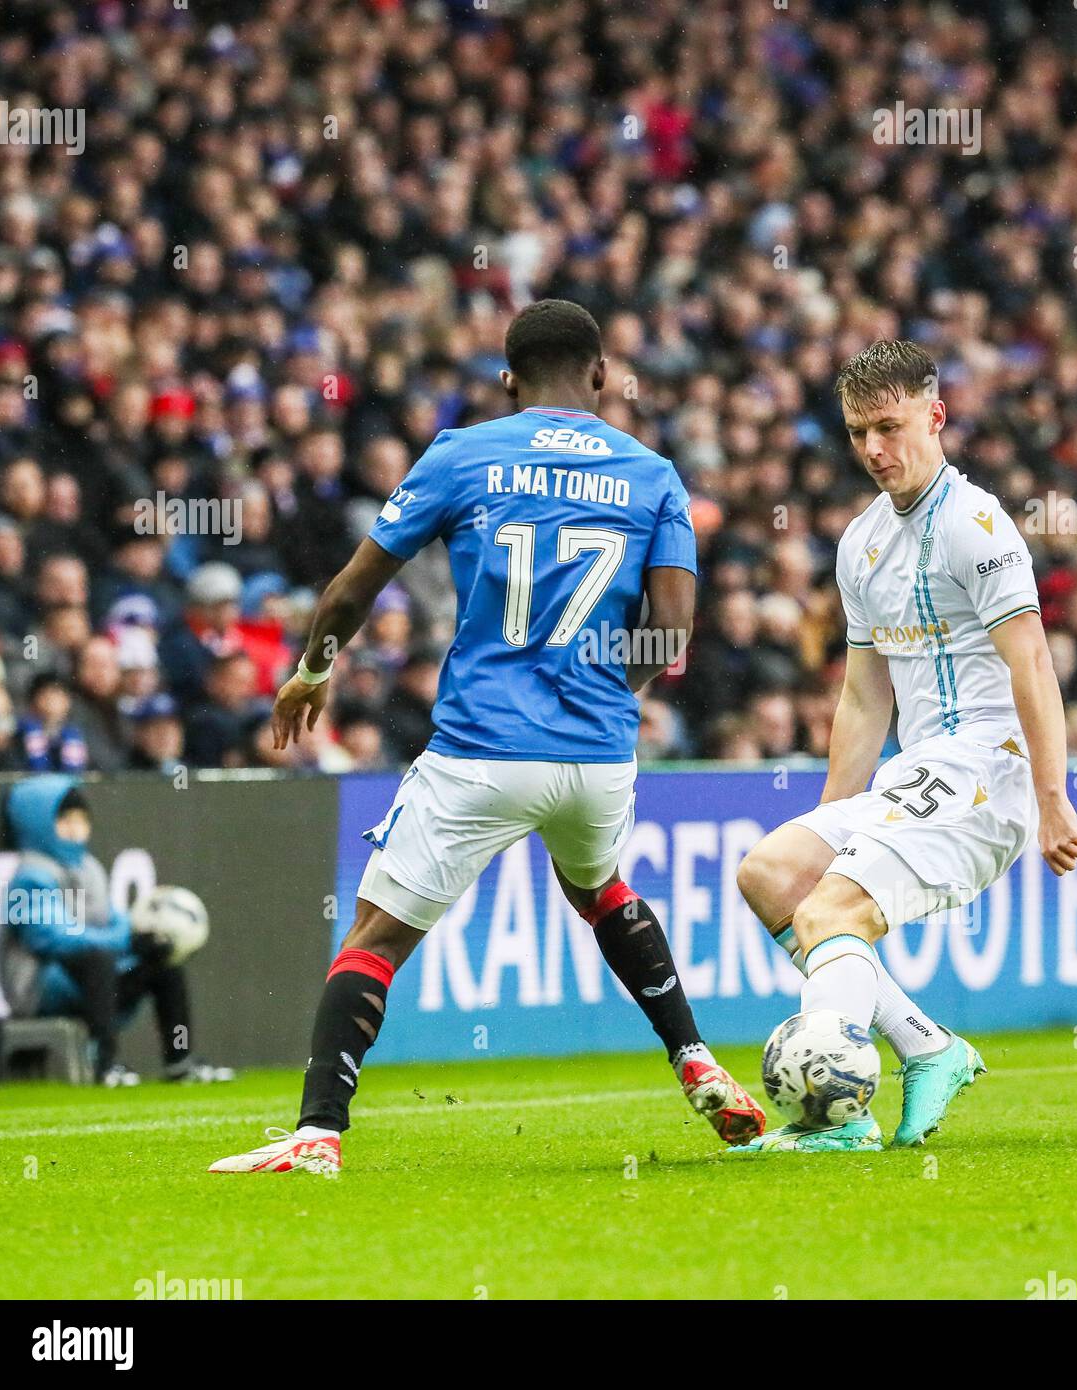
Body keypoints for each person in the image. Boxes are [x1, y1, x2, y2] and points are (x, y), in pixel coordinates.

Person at [210, 299, 765, 1175]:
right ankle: (693, 1057)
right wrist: (599, 699)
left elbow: (353, 590)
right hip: (596, 758)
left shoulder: (463, 453)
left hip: (481, 749)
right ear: (599, 376)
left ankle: (319, 1133)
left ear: (508, 381)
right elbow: (671, 632)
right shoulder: (653, 473)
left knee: (373, 937)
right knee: (601, 890)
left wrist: (313, 671)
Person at [733, 340, 1077, 1153]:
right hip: (917, 772)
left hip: (985, 779)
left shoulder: (979, 526)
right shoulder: (860, 542)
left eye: (889, 427)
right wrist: (833, 820)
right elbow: (863, 694)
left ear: (936, 416)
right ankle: (928, 1046)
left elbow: (1032, 659)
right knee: (774, 875)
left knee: (831, 911)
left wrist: (1053, 797)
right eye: (858, 432)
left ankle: (837, 1120)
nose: (873, 450)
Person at [3, 774, 232, 1085]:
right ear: (38, 823)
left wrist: (143, 940)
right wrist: (126, 941)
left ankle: (180, 1061)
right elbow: (48, 936)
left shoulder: (89, 869)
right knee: (96, 958)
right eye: (64, 820)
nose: (75, 829)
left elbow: (113, 920)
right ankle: (104, 1063)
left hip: (92, 980)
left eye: (81, 821)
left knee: (164, 967)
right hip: (39, 986)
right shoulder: (31, 875)